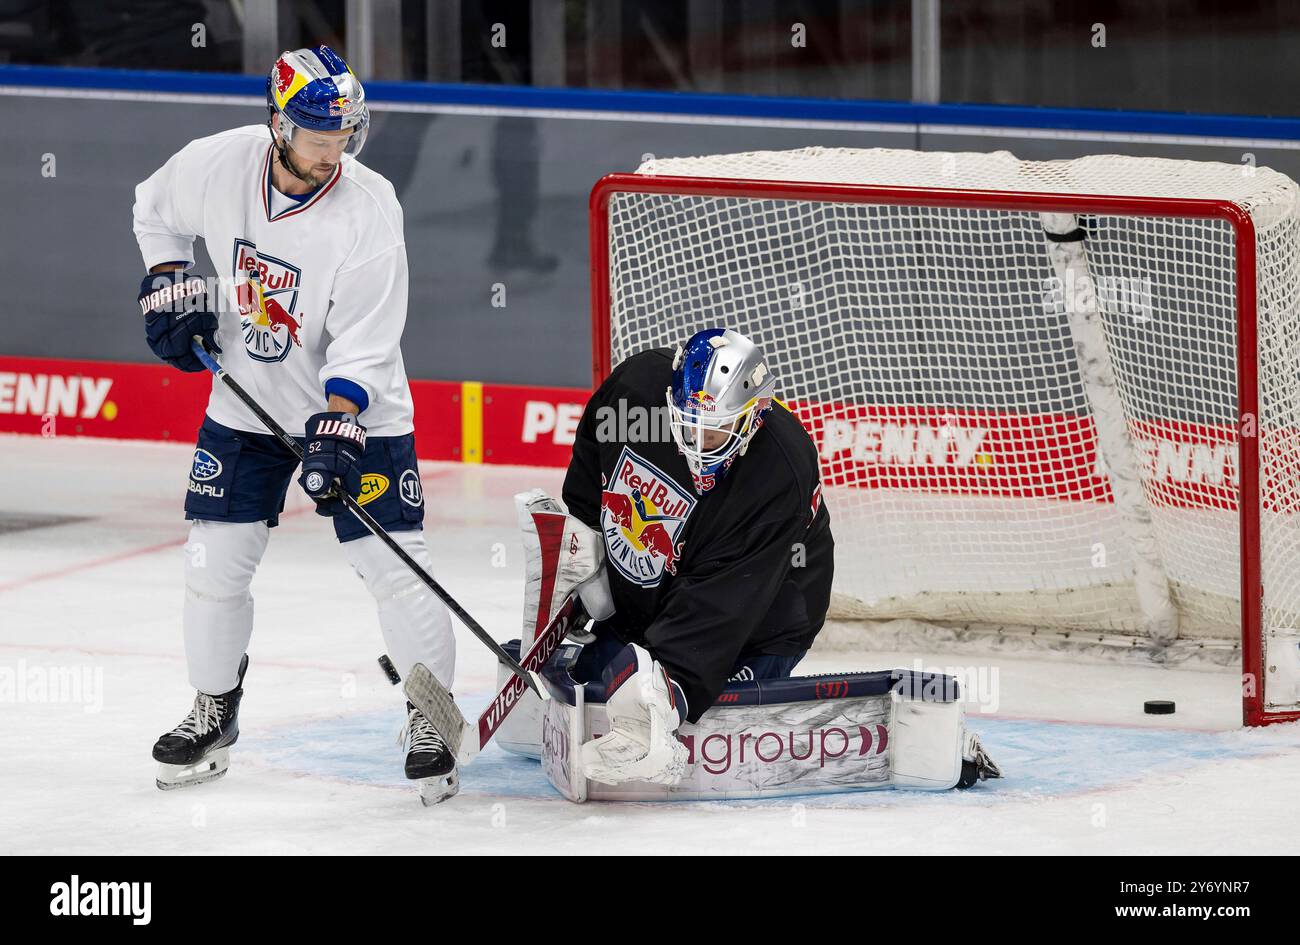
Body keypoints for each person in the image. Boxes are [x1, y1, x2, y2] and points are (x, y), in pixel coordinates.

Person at [133, 45, 458, 803]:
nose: (333, 150)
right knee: (214, 564)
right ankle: (216, 707)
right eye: (318, 137)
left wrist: (340, 423)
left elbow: (367, 339)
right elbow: (153, 209)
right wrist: (168, 279)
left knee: (393, 567)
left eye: (345, 133)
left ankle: (433, 717)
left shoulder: (370, 205)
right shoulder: (217, 165)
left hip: (357, 410)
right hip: (244, 400)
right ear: (278, 126)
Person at [562, 327, 834, 784]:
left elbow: (723, 603)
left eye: (717, 428)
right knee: (595, 683)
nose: (699, 440)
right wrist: (584, 539)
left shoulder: (777, 472)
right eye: (688, 422)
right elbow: (594, 456)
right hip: (660, 594)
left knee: (639, 699)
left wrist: (669, 687)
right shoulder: (635, 393)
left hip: (761, 619)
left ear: (755, 413)